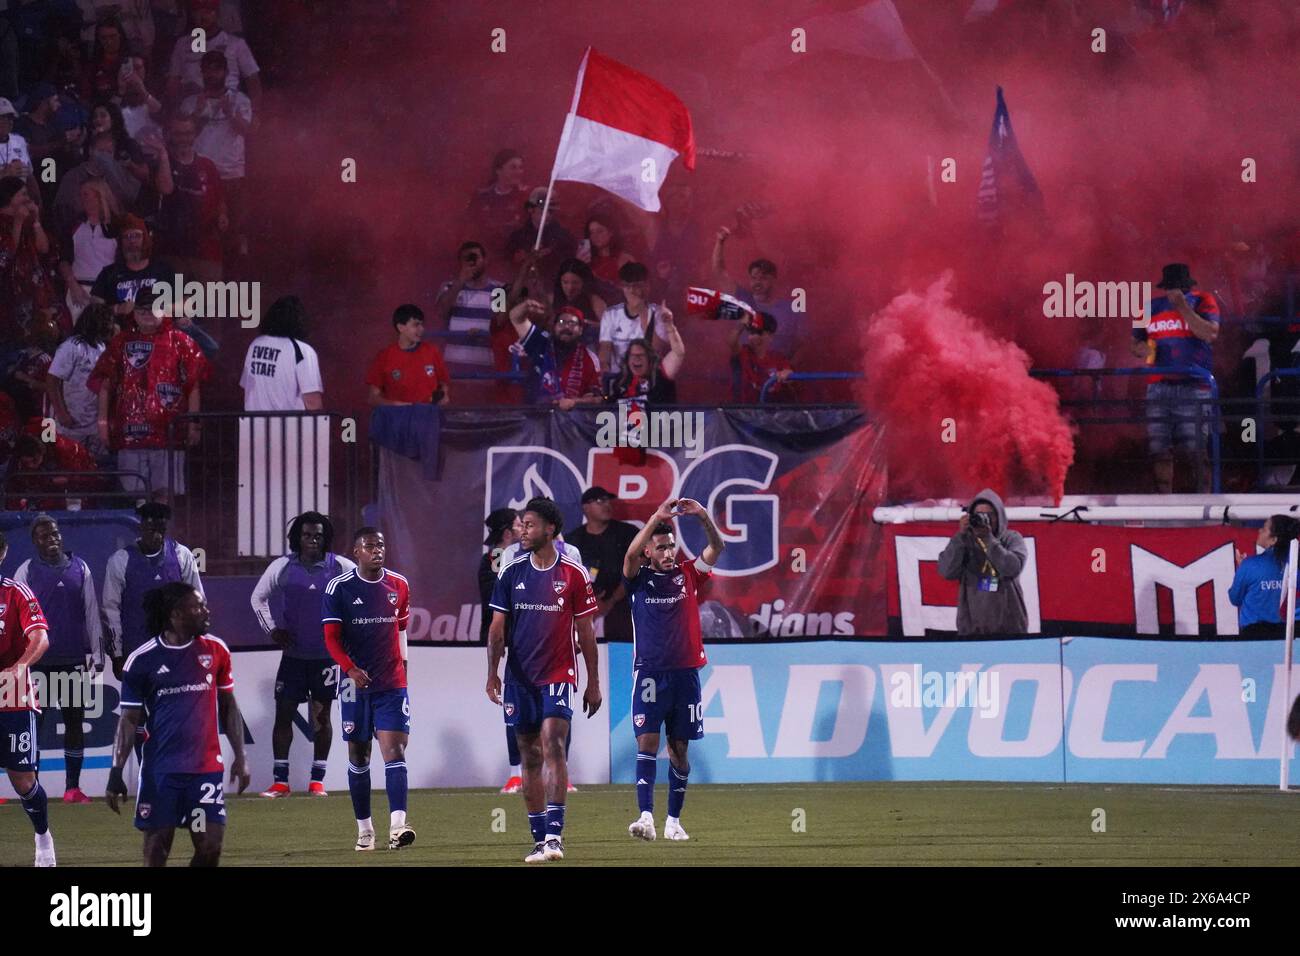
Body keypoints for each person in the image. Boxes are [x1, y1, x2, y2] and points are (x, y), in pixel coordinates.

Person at [487, 497, 600, 863]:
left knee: (553, 743)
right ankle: (539, 840)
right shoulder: (510, 572)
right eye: (521, 525)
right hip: (519, 676)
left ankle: (555, 836)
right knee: (529, 754)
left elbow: (586, 633)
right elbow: (497, 630)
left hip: (558, 672)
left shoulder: (573, 574)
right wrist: (492, 674)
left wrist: (593, 682)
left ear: (550, 529)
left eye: (530, 525)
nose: (522, 531)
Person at [105, 582, 250, 867]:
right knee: (157, 852)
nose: (206, 611)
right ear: (175, 614)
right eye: (197, 607)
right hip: (162, 774)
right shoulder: (141, 661)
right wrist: (116, 771)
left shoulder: (215, 650)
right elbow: (128, 720)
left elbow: (229, 705)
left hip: (204, 772)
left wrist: (241, 756)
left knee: (209, 847)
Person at [621, 497, 724, 842]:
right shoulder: (637, 579)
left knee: (679, 750)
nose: (668, 553)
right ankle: (645, 817)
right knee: (647, 742)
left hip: (686, 675)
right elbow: (630, 557)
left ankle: (673, 822)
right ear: (650, 551)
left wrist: (703, 516)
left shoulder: (689, 574)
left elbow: (717, 546)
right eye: (661, 547)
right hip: (650, 673)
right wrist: (656, 518)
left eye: (671, 547)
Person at [321, 527, 416, 851]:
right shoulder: (339, 588)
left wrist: (404, 665)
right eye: (370, 546)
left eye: (381, 545)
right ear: (356, 551)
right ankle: (365, 830)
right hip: (352, 685)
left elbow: (401, 629)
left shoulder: (399, 585)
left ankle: (398, 827)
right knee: (359, 755)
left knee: (395, 751)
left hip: (391, 683)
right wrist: (349, 669)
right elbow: (331, 639)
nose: (378, 550)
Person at [251, 511, 356, 798]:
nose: (312, 540)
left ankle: (317, 781)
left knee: (322, 718)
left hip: (326, 658)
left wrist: (349, 633)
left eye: (318, 536)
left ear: (326, 538)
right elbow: (257, 598)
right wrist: (272, 630)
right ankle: (280, 782)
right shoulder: (282, 566)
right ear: (297, 536)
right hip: (294, 657)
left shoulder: (342, 567)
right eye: (307, 535)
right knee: (283, 715)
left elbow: (360, 599)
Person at [12, 515, 103, 804]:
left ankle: (72, 788)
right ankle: (32, 789)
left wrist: (98, 654)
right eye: (43, 536)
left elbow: (92, 612)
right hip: (38, 664)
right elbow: (14, 620)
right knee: (33, 729)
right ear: (34, 541)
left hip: (73, 660)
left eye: (54, 534)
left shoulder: (81, 568)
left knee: (74, 724)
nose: (51, 539)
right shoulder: (25, 571)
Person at [89, 286, 209, 497]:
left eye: (154, 309)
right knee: (135, 494)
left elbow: (194, 386)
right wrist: (102, 424)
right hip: (129, 432)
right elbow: (105, 385)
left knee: (164, 493)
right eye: (142, 310)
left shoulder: (182, 342)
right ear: (134, 313)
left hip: (170, 433)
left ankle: (161, 530)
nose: (148, 315)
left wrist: (194, 425)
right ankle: (140, 530)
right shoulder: (120, 342)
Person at [1130, 263, 1220, 494]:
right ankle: (1164, 503)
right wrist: (1143, 350)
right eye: (1170, 287)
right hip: (1158, 386)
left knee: (1195, 450)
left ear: (1187, 286)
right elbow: (1136, 344)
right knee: (1159, 449)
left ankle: (1204, 503)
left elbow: (1209, 333)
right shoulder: (1148, 307)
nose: (1173, 292)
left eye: (1177, 287)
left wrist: (1182, 307)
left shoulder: (1203, 300)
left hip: (1195, 387)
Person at [0, 528, 56, 866]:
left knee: (23, 780)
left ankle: (43, 838)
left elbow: (41, 637)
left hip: (13, 697)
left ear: (2, 553)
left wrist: (20, 666)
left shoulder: (16, 593)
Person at [102, 501, 205, 679]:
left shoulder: (182, 555)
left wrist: (197, 644)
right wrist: (116, 655)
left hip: (175, 649)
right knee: (137, 706)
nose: (155, 535)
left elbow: (197, 602)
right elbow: (110, 610)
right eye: (150, 529)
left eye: (160, 530)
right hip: (136, 648)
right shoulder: (120, 560)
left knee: (174, 704)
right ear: (141, 527)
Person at [181, 50, 251, 260]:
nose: (212, 74)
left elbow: (247, 131)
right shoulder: (191, 102)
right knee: (200, 227)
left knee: (232, 228)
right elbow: (181, 136)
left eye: (216, 69)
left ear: (225, 71)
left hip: (231, 173)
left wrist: (230, 113)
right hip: (199, 172)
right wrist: (198, 114)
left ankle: (232, 280)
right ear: (201, 72)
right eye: (207, 70)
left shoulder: (240, 100)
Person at [936, 489, 1029, 636]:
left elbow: (1013, 568)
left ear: (999, 516)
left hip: (1010, 630)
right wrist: (960, 538)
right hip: (971, 630)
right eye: (978, 515)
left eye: (989, 515)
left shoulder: (1011, 539)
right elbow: (946, 571)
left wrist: (988, 539)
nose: (983, 519)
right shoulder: (964, 541)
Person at [478, 508, 525, 793]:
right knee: (513, 706)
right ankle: (516, 772)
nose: (524, 530)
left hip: (518, 637)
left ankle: (523, 771)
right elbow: (498, 598)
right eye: (521, 524)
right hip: (506, 637)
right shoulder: (499, 556)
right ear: (508, 531)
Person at [712, 226, 801, 358]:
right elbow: (719, 272)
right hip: (746, 370)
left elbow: (802, 344)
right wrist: (720, 243)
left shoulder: (791, 308)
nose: (758, 282)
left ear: (774, 280)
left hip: (778, 374)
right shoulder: (743, 299)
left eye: (763, 278)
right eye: (754, 278)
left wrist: (789, 370)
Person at [566, 486, 638, 643]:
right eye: (600, 501)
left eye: (608, 500)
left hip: (622, 607)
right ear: (586, 507)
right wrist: (587, 604)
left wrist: (610, 602)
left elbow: (637, 569)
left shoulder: (627, 533)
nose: (607, 505)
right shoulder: (573, 540)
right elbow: (564, 578)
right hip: (583, 610)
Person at [157, 112, 223, 282]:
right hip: (172, 252)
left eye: (188, 133)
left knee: (209, 306)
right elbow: (165, 188)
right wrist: (164, 157)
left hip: (206, 251)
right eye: (178, 134)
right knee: (173, 307)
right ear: (170, 135)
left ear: (194, 135)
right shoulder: (161, 163)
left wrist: (223, 216)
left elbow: (219, 199)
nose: (183, 139)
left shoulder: (207, 166)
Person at [505, 299, 603, 407]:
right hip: (536, 414)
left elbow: (597, 397)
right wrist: (525, 305)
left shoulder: (589, 358)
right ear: (554, 326)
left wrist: (574, 402)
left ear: (580, 330)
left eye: (572, 323)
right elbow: (516, 318)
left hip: (572, 417)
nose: (566, 327)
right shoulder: (540, 343)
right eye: (561, 322)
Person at [166, 0, 261, 108]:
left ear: (217, 13)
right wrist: (176, 112)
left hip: (229, 108)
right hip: (192, 109)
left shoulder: (236, 44)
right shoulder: (182, 44)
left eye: (207, 11)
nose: (202, 16)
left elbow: (253, 81)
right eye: (197, 11)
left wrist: (254, 113)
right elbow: (173, 82)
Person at [433, 240, 508, 371]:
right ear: (460, 263)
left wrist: (483, 333)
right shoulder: (449, 287)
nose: (472, 262)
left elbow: (500, 324)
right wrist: (461, 281)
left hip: (486, 366)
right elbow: (441, 313)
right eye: (467, 259)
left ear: (485, 260)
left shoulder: (498, 291)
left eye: (475, 257)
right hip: (454, 365)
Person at [241, 295, 324, 411]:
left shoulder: (255, 345)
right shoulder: (302, 351)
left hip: (253, 426)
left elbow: (247, 387)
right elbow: (312, 401)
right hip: (288, 427)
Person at [366, 303, 451, 406]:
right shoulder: (385, 356)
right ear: (401, 327)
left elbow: (443, 382)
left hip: (427, 415)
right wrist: (395, 405)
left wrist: (444, 394)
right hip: (398, 417)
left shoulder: (431, 351)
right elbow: (373, 397)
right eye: (416, 325)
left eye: (421, 324)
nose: (421, 329)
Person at [58, 178, 120, 320]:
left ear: (99, 196)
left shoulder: (117, 226)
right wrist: (72, 284)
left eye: (86, 194)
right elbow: (64, 260)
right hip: (79, 290)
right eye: (80, 195)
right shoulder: (74, 225)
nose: (82, 199)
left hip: (108, 290)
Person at [1229, 515, 1300, 637]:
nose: (1259, 530)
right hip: (1292, 634)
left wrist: (1243, 570)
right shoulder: (1296, 565)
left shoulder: (1250, 565)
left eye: (1264, 528)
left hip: (1255, 636)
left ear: (1274, 540)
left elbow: (1235, 598)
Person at [598, 261, 670, 375]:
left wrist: (642, 311)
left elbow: (656, 350)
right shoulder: (611, 314)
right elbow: (605, 349)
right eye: (627, 285)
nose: (631, 290)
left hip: (649, 379)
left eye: (636, 285)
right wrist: (604, 369)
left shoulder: (660, 313)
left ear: (647, 286)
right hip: (619, 379)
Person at [464, 148, 527, 259]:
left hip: (513, 259)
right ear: (498, 170)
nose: (518, 172)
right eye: (513, 167)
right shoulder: (481, 197)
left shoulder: (526, 197)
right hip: (484, 256)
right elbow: (469, 227)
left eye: (520, 168)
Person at [506, 187, 576, 283]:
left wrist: (549, 256)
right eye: (543, 210)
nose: (547, 215)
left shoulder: (565, 238)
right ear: (530, 209)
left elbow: (568, 268)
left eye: (551, 211)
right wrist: (527, 257)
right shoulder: (517, 237)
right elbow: (508, 266)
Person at [730, 310, 794, 402]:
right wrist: (741, 324)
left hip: (771, 411)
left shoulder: (778, 358)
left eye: (758, 332)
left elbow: (790, 376)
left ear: (770, 336)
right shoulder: (744, 353)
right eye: (750, 332)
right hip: (744, 411)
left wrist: (787, 374)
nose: (752, 336)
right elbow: (732, 343)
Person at [553, 257, 607, 351]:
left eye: (575, 283)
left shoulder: (594, 301)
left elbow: (609, 329)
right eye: (565, 282)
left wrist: (587, 324)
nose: (570, 288)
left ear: (584, 282)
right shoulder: (552, 299)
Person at [579, 213, 634, 298]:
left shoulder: (624, 259)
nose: (595, 236)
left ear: (611, 232)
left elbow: (631, 292)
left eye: (600, 231)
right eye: (591, 232)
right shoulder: (587, 259)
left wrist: (596, 279)